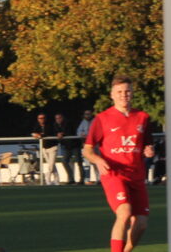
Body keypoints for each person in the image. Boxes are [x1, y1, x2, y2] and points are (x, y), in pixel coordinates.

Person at [83, 76, 155, 252]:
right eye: (120, 92)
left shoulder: (143, 118)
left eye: (127, 91)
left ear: (132, 93)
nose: (124, 95)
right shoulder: (102, 119)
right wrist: (98, 160)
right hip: (114, 174)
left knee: (142, 223)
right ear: (112, 95)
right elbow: (87, 150)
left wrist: (149, 150)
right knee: (124, 212)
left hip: (137, 175)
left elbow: (148, 144)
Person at [30, 112, 58, 185]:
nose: (41, 120)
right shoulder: (37, 125)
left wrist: (39, 135)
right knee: (51, 164)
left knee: (51, 165)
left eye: (43, 118)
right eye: (40, 118)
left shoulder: (50, 125)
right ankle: (56, 180)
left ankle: (47, 178)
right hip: (44, 148)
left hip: (52, 147)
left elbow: (47, 133)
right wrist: (34, 134)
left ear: (45, 118)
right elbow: (33, 132)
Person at [54, 113, 79, 184]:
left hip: (74, 145)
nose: (58, 120)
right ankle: (71, 179)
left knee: (79, 161)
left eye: (59, 118)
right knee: (64, 161)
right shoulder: (55, 125)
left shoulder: (68, 123)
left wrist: (62, 134)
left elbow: (69, 131)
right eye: (56, 118)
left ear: (62, 118)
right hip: (66, 146)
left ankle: (81, 180)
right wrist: (58, 134)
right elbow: (54, 132)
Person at [75, 109, 95, 184]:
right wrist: (82, 134)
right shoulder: (83, 122)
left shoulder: (95, 121)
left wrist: (89, 135)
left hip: (94, 145)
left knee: (95, 162)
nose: (87, 115)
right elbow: (79, 132)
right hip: (86, 145)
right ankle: (87, 179)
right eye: (86, 114)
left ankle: (99, 179)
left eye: (88, 114)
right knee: (86, 163)